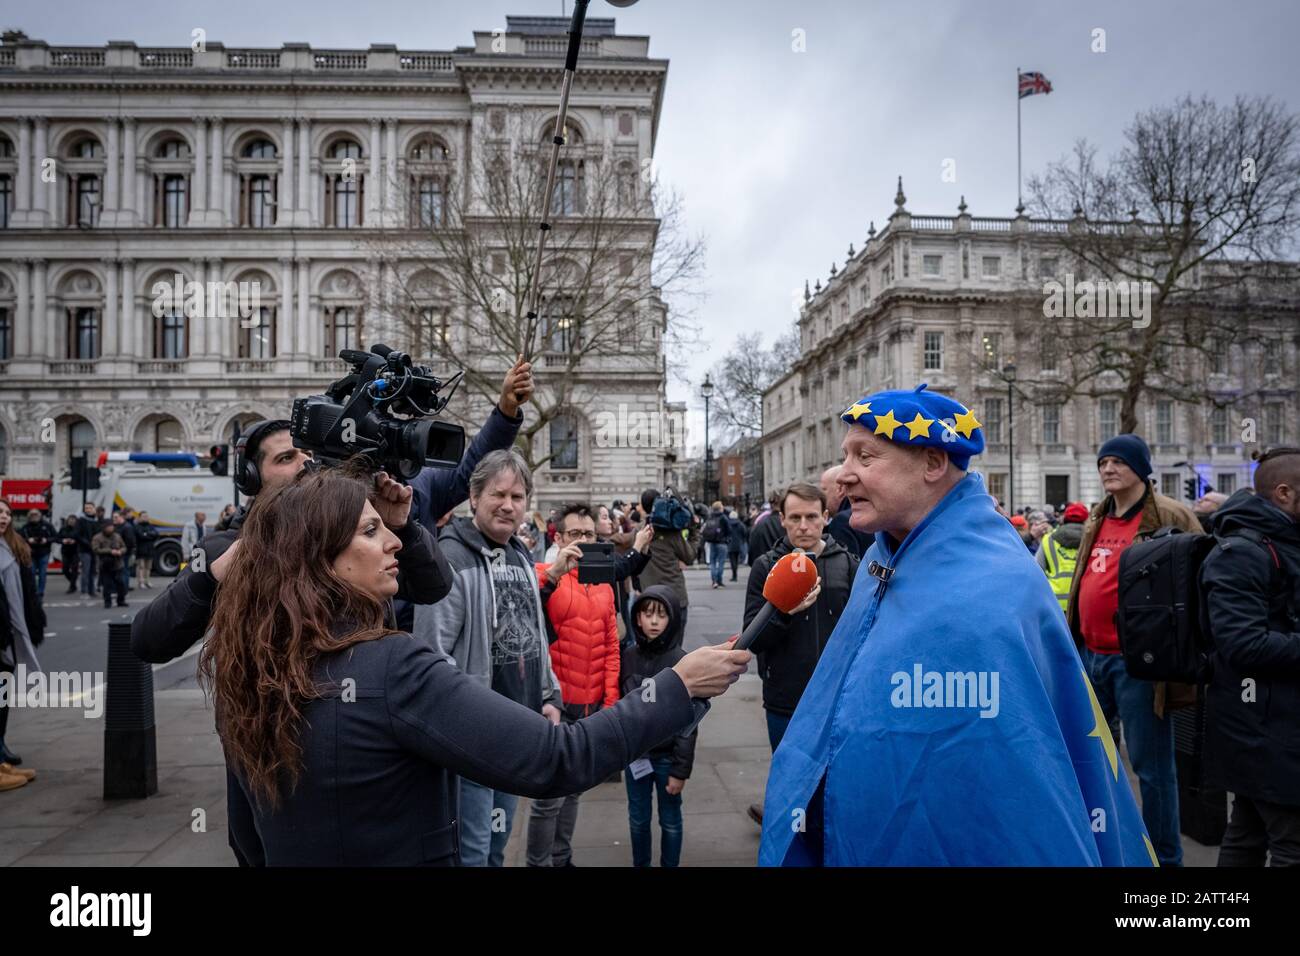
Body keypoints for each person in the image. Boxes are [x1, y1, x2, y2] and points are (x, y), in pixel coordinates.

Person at [200, 466, 751, 865]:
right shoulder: (392, 668)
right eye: (371, 531)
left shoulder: (248, 669)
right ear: (318, 554)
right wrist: (676, 686)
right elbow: (562, 759)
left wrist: (547, 691)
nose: (394, 541)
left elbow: (246, 841)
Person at [760, 385, 1153, 866]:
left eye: (866, 456)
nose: (843, 475)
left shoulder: (995, 582)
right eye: (846, 456)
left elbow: (1003, 771)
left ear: (931, 464)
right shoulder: (880, 558)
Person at [412, 450, 560, 866]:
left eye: (517, 496)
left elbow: (534, 636)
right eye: (498, 494)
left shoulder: (521, 557)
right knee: (472, 854)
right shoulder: (449, 561)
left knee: (496, 848)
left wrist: (549, 696)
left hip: (520, 734)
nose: (508, 505)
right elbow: (431, 658)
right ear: (473, 497)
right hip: (474, 744)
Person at [1064, 433, 1199, 867]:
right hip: (1091, 658)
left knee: (1152, 768)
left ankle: (1166, 858)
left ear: (1141, 469)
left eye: (1118, 461)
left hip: (1138, 665)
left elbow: (1200, 577)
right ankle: (1107, 845)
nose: (1108, 469)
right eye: (1103, 462)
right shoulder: (1096, 519)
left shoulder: (1171, 515)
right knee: (1093, 758)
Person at [1201, 448, 1300, 866]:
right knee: (1289, 844)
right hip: (1261, 723)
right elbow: (1242, 644)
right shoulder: (1241, 552)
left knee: (1247, 832)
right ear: (1283, 493)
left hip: (1274, 720)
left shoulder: (1283, 541)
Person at [744, 481, 859, 827]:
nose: (804, 526)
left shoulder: (848, 564)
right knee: (791, 783)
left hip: (837, 700)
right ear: (782, 520)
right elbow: (753, 638)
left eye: (811, 516)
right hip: (785, 699)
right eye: (795, 517)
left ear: (826, 517)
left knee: (834, 786)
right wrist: (783, 612)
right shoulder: (766, 567)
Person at [525, 503, 622, 867]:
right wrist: (554, 572)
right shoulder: (542, 573)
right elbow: (527, 606)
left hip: (591, 706)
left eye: (589, 535)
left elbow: (612, 645)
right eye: (574, 534)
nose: (582, 541)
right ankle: (538, 862)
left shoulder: (604, 583)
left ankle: (562, 857)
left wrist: (611, 701)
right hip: (555, 705)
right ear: (559, 537)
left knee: (576, 789)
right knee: (548, 798)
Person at [620, 586, 697, 867]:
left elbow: (689, 723)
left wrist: (680, 769)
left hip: (667, 758)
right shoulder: (628, 657)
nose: (654, 621)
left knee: (670, 820)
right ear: (637, 618)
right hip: (637, 757)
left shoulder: (681, 661)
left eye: (661, 615)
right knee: (638, 819)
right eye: (647, 614)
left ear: (672, 619)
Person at [0, 498, 45, 781]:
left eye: (6, 513)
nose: (3, 517)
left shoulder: (13, 546)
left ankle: (1, 748)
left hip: (11, 632)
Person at [636, 488, 700, 629]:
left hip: (649, 598)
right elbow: (689, 557)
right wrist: (694, 531)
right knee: (674, 647)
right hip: (674, 597)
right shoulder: (672, 534)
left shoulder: (640, 533)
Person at [1036, 501, 1088, 614]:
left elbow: (1037, 571)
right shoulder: (1093, 539)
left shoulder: (1048, 539)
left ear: (1064, 519)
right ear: (1086, 520)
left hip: (1055, 602)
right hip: (1084, 601)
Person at [821, 465, 872, 559]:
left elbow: (844, 568)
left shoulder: (841, 522)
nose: (820, 495)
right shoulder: (871, 514)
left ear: (840, 489)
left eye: (824, 489)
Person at [19, 509, 56, 601]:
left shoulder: (47, 526)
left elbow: (55, 537)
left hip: (44, 553)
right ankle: (34, 592)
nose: (34, 516)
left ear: (40, 515)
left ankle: (40, 592)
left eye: (36, 514)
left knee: (42, 574)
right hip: (30, 554)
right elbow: (19, 539)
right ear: (29, 516)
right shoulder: (25, 527)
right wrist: (28, 540)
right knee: (31, 574)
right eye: (32, 514)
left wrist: (46, 540)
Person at [92, 519, 128, 609]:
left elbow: (124, 547)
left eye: (111, 527)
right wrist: (110, 551)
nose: (110, 528)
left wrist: (120, 551)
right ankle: (107, 602)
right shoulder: (98, 537)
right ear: (104, 528)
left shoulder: (117, 536)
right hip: (105, 565)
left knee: (121, 584)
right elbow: (95, 549)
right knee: (107, 585)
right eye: (108, 527)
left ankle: (121, 601)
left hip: (118, 564)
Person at [748, 492, 784, 567]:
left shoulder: (759, 523)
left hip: (765, 568)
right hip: (785, 568)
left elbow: (752, 549)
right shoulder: (788, 523)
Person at [702, 501, 730, 589]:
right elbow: (729, 530)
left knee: (712, 562)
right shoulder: (723, 517)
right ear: (720, 508)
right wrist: (727, 539)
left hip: (712, 542)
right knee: (721, 562)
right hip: (722, 543)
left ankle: (714, 581)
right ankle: (719, 580)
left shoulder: (710, 517)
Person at [74, 501, 99, 597]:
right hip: (84, 549)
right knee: (86, 571)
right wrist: (88, 544)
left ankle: (91, 590)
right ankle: (84, 591)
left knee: (93, 571)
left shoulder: (96, 520)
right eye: (86, 508)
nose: (88, 509)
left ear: (94, 509)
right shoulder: (81, 520)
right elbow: (77, 535)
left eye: (90, 507)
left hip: (94, 549)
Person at [112, 512, 136, 594]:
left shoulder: (126, 527)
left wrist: (123, 551)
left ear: (121, 517)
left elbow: (129, 541)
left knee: (124, 571)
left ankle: (124, 589)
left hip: (125, 553)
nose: (114, 519)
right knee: (123, 571)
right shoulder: (120, 526)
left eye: (116, 517)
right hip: (122, 553)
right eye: (113, 517)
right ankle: (122, 589)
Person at [134, 511, 159, 588]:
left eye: (146, 516)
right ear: (140, 517)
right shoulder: (137, 526)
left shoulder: (150, 526)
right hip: (140, 549)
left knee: (148, 567)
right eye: (143, 516)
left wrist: (147, 534)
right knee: (141, 566)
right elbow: (140, 536)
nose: (145, 517)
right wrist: (149, 534)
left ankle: (147, 581)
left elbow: (156, 534)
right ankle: (141, 582)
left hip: (150, 549)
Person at [59, 515, 80, 593]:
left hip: (75, 551)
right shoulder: (63, 529)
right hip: (65, 551)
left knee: (74, 569)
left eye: (73, 520)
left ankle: (72, 586)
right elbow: (58, 538)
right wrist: (63, 541)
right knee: (65, 569)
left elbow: (81, 539)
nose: (71, 521)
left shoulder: (78, 529)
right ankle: (73, 582)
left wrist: (75, 541)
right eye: (70, 520)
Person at [726, 508, 746, 582]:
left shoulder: (728, 523)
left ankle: (734, 575)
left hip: (730, 544)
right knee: (736, 560)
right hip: (738, 544)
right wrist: (742, 540)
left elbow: (726, 533)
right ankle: (735, 575)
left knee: (732, 561)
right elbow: (744, 532)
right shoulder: (740, 524)